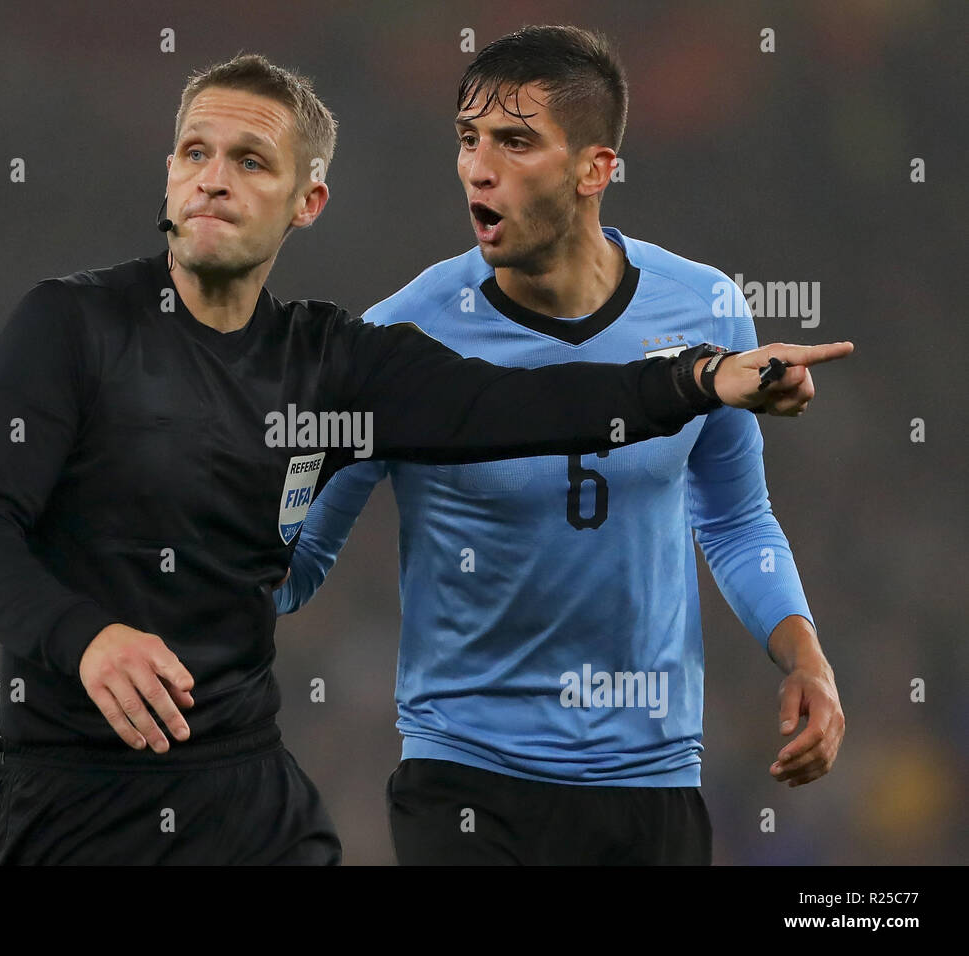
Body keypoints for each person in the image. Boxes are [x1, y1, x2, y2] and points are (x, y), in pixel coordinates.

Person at [0, 52, 849, 865]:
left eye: (249, 160)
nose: (212, 179)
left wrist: (702, 376)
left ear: (308, 201)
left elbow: (528, 406)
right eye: (193, 153)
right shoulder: (70, 326)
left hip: (258, 788)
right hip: (89, 788)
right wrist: (83, 635)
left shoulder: (336, 360)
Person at [276, 26, 848, 865]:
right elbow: (295, 565)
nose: (479, 166)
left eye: (515, 141)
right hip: (467, 778)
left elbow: (733, 521)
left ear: (594, 168)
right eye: (468, 140)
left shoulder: (708, 308)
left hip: (652, 776)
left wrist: (806, 658)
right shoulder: (401, 333)